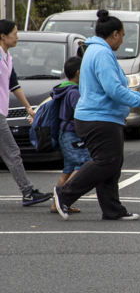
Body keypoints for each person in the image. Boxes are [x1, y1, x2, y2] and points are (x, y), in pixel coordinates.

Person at [53, 11, 140, 220]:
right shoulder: (101, 53)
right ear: (115, 34)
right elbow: (114, 89)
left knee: (112, 164)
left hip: (101, 116)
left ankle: (112, 210)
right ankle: (64, 194)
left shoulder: (95, 50)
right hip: (99, 118)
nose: (122, 40)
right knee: (106, 162)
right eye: (123, 35)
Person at [0, 20, 53, 207]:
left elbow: (13, 84)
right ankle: (28, 192)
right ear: (3, 35)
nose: (17, 36)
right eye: (14, 33)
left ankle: (28, 192)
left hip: (2, 112)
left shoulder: (8, 58)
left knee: (10, 153)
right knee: (12, 152)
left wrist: (28, 107)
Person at [51, 57, 85, 214]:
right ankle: (63, 198)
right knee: (83, 165)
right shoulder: (75, 92)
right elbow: (80, 114)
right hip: (72, 134)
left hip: (65, 134)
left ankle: (57, 203)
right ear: (79, 72)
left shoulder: (65, 88)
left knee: (68, 168)